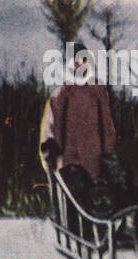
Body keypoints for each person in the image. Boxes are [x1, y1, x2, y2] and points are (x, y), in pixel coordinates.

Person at [39, 42, 118, 181]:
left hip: (96, 166)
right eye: (76, 60)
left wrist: (108, 155)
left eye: (84, 60)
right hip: (68, 167)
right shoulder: (60, 96)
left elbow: (107, 128)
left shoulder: (97, 93)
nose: (80, 64)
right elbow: (49, 133)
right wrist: (51, 161)